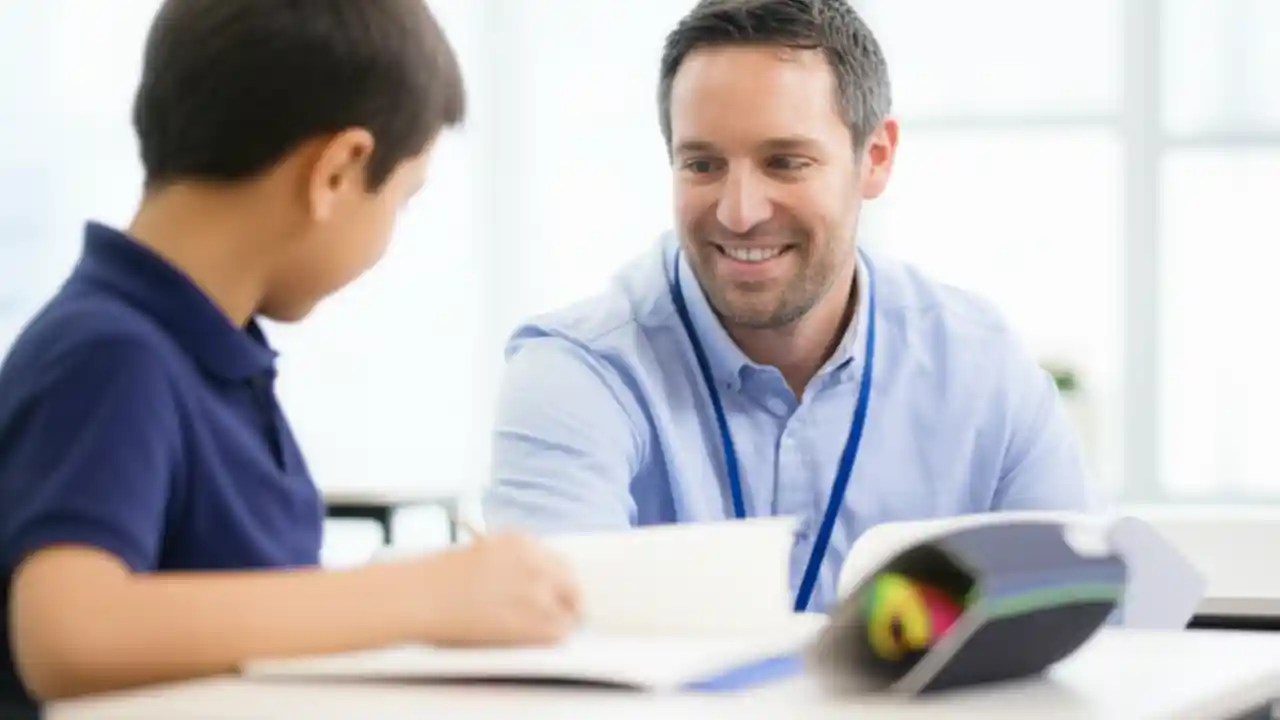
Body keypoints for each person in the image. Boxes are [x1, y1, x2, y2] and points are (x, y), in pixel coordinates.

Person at [0, 0, 578, 710]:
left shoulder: (211, 355)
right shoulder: (109, 356)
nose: (393, 231)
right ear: (337, 171)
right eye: (403, 200)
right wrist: (423, 593)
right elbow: (71, 634)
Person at [483, 0, 1093, 613]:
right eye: (703, 164)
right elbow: (548, 647)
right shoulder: (580, 371)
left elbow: (1083, 621)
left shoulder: (980, 366)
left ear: (875, 157)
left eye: (785, 163)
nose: (739, 212)